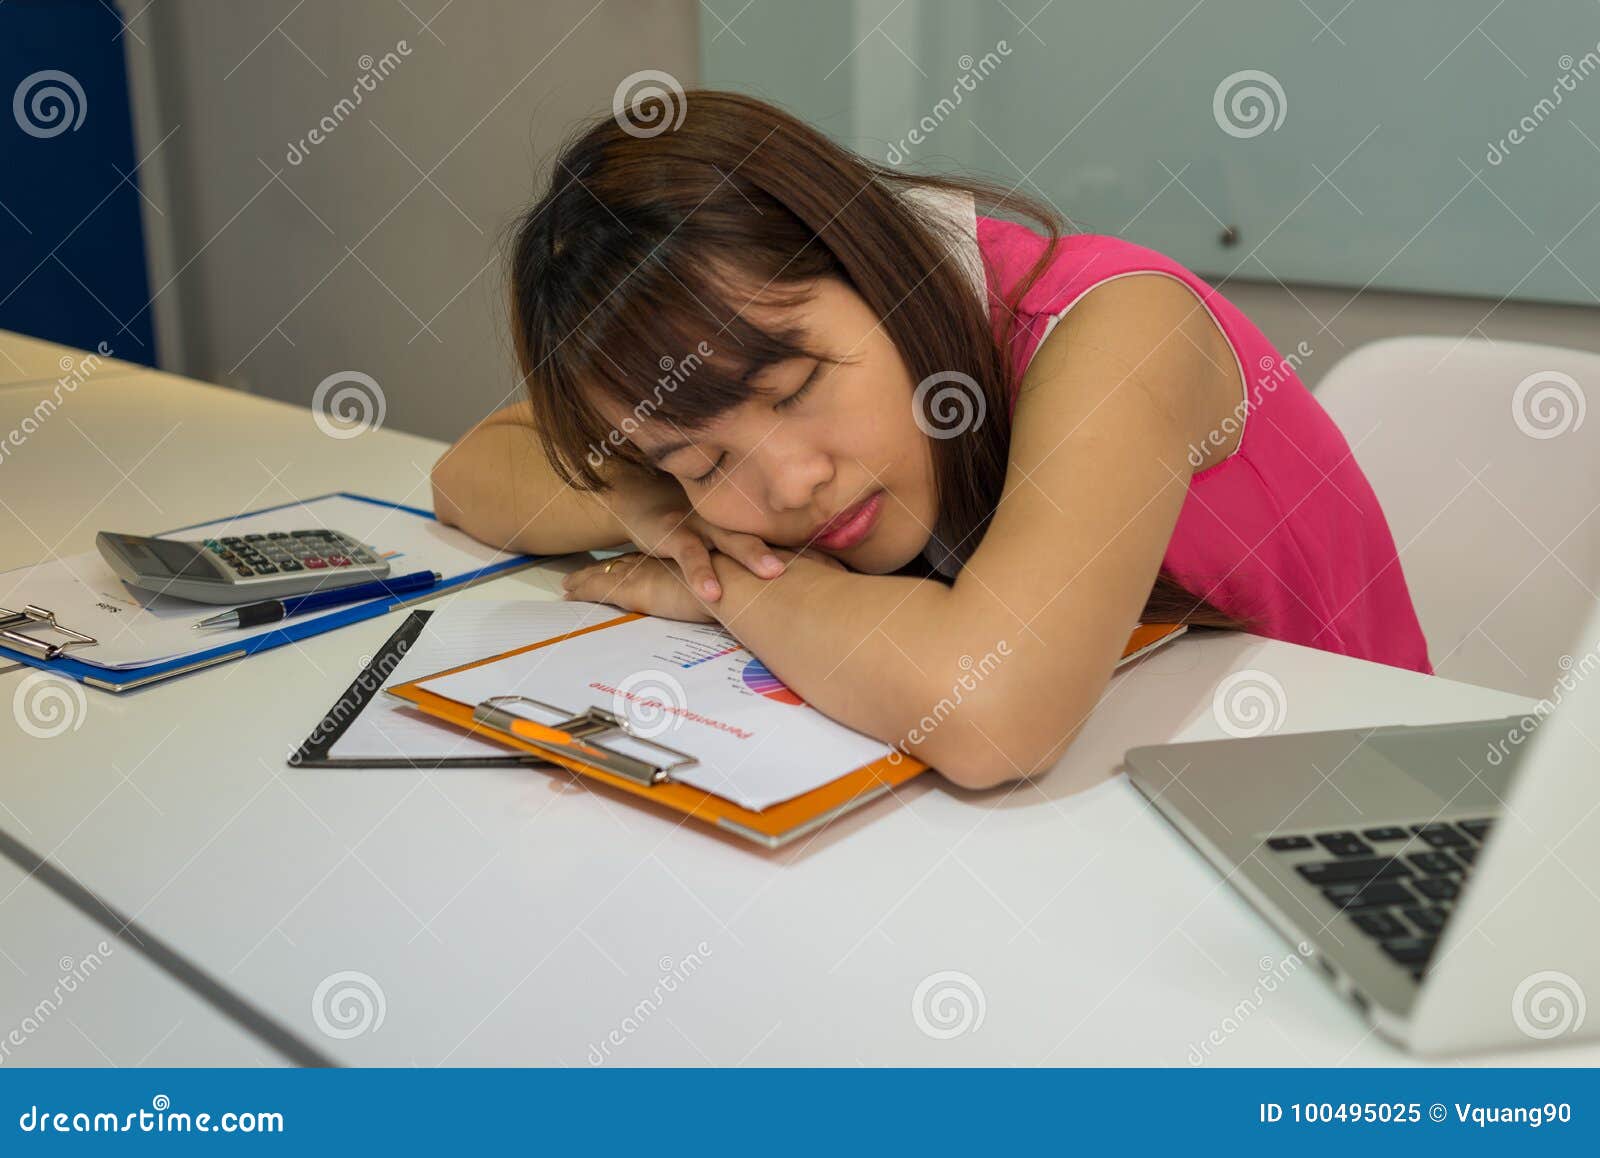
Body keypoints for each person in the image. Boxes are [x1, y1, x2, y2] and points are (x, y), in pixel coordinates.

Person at [431, 89, 1431, 790]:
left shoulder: (1119, 326)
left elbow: (991, 714)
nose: (791, 484)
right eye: (703, 460)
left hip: (1345, 804)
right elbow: (468, 474)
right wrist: (655, 507)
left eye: (798, 389)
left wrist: (729, 583)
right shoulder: (736, 401)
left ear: (876, 263)